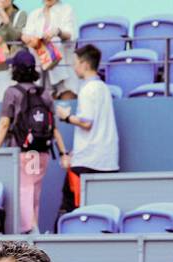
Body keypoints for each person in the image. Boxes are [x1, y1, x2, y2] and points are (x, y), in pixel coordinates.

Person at [0, 49, 66, 235]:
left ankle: (31, 232)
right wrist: (64, 152)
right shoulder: (45, 94)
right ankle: (33, 229)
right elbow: (55, 128)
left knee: (24, 190)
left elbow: (4, 123)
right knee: (34, 191)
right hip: (41, 151)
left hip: (22, 151)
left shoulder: (12, 92)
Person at [57, 45, 118, 217]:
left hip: (88, 163)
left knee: (71, 212)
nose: (73, 67)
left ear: (84, 64)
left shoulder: (88, 90)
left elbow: (87, 122)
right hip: (106, 161)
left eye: (75, 63)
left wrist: (66, 117)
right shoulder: (103, 88)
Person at [21, 0, 78, 99]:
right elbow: (26, 34)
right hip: (42, 68)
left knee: (67, 102)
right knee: (46, 106)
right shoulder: (34, 14)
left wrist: (58, 32)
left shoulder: (67, 10)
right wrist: (26, 38)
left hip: (63, 67)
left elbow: (70, 34)